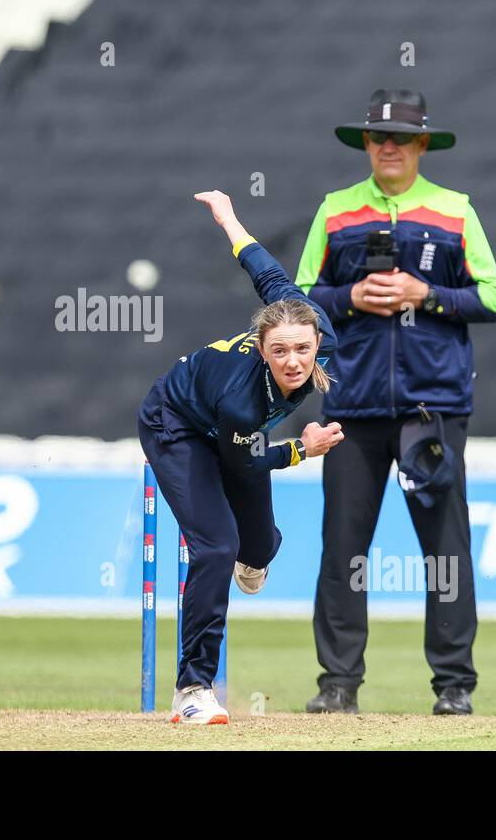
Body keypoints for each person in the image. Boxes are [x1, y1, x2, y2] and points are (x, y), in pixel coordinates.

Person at [295, 89, 496, 716]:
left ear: (422, 144)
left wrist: (428, 293)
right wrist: (352, 297)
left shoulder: (454, 210)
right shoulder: (335, 211)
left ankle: (453, 687)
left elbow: (491, 297)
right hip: (351, 407)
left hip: (430, 408)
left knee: (445, 551)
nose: (388, 146)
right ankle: (337, 685)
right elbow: (302, 296)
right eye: (378, 136)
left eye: (401, 137)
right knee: (342, 549)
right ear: (366, 143)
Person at [138, 190, 346, 725]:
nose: (294, 361)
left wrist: (229, 218)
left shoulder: (311, 326)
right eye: (279, 351)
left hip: (237, 436)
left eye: (303, 349)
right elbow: (246, 463)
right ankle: (193, 689)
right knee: (217, 545)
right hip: (178, 425)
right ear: (260, 349)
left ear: (317, 338)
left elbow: (267, 273)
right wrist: (304, 447)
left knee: (259, 549)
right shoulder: (241, 398)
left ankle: (248, 557)